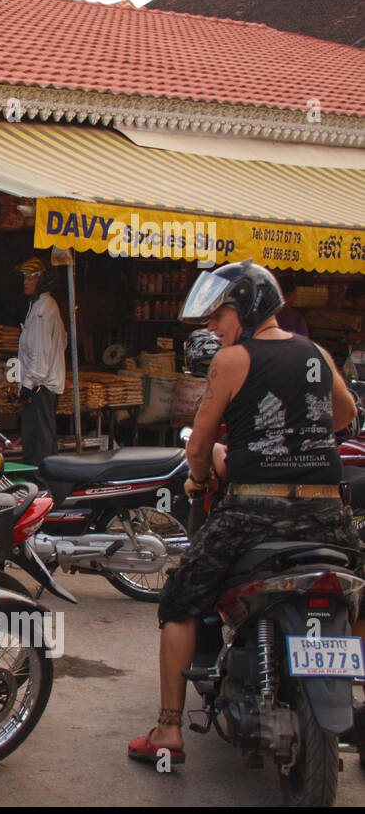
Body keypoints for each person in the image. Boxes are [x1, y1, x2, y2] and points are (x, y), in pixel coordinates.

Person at [129, 260, 360, 766]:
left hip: (253, 510)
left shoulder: (232, 359)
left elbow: (201, 444)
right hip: (325, 513)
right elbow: (345, 415)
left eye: (220, 315)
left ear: (249, 308)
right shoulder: (317, 353)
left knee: (180, 598)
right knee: (357, 593)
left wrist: (199, 475)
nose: (213, 327)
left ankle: (169, 729)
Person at [16, 256, 66, 465]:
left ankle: (42, 483)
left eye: (30, 278)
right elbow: (61, 341)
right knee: (37, 436)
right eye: (24, 278)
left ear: (42, 280)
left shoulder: (44, 311)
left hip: (41, 387)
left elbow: (40, 352)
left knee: (40, 439)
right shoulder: (38, 306)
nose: (26, 282)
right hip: (41, 384)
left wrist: (28, 384)